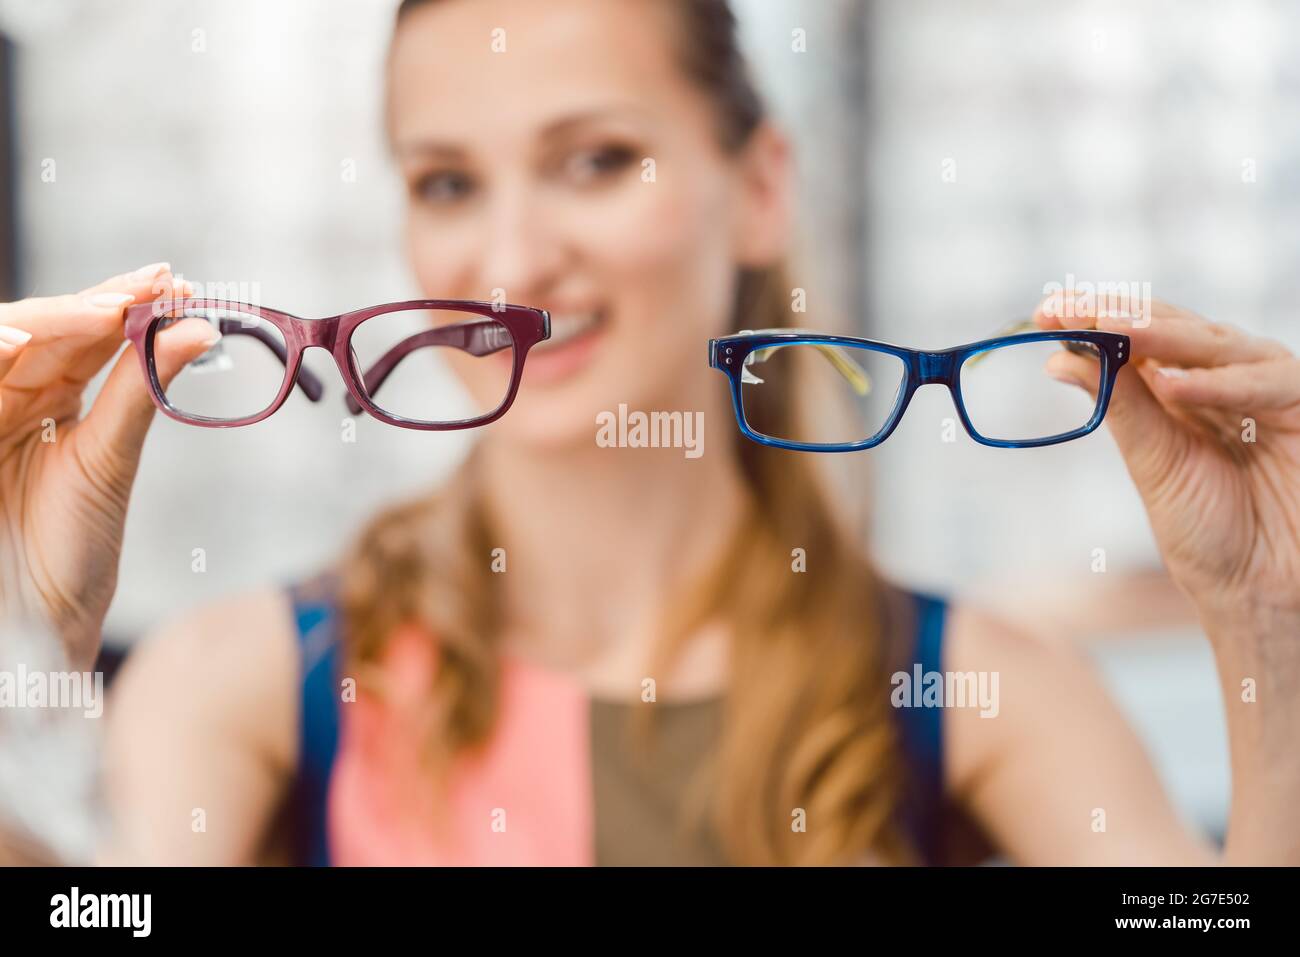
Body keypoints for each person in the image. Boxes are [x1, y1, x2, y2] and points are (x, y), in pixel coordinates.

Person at [1, 0, 1297, 866]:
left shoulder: (986, 691)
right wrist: (22, 648)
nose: (509, 259)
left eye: (598, 158)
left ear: (761, 190)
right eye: (447, 181)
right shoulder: (243, 685)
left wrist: (1266, 623)